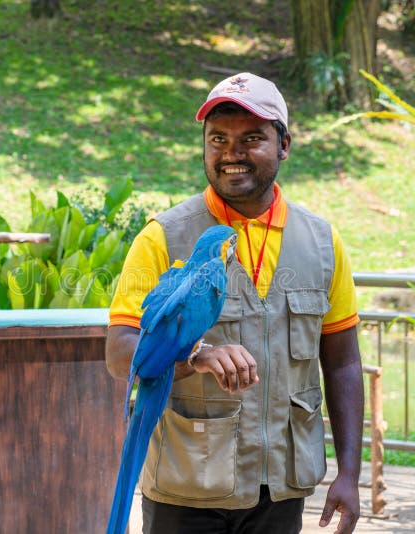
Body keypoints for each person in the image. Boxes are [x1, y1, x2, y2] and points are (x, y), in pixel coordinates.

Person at [106, 72, 364, 534]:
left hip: (281, 489)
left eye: (252, 139)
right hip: (186, 484)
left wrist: (349, 474)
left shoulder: (324, 244)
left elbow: (343, 364)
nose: (231, 153)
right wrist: (196, 355)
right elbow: (119, 351)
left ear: (284, 145)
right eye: (218, 139)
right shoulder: (162, 237)